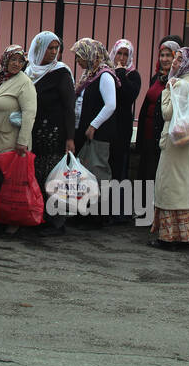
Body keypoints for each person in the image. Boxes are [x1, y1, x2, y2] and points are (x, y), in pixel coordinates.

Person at [150, 46, 189, 250]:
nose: (174, 62)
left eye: (178, 59)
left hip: (175, 143)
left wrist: (168, 89)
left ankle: (169, 237)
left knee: (170, 187)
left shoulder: (179, 84)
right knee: (187, 187)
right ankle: (187, 236)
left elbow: (167, 113)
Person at [0, 45, 37, 234]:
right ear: (5, 60)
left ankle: (9, 221)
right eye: (13, 60)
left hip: (9, 140)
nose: (16, 64)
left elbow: (29, 113)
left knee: (6, 181)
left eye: (20, 61)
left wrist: (23, 140)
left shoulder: (24, 83)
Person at [24, 31, 77, 237]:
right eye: (49, 48)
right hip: (35, 132)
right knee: (37, 174)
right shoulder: (29, 71)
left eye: (56, 48)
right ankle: (39, 216)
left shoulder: (61, 72)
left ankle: (56, 222)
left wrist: (70, 137)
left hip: (55, 133)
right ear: (38, 48)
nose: (53, 52)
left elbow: (69, 107)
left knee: (53, 177)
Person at [70, 38, 119, 229]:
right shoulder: (90, 75)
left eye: (80, 56)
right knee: (86, 173)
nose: (78, 61)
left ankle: (96, 217)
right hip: (87, 132)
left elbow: (111, 105)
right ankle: (84, 213)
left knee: (97, 173)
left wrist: (93, 125)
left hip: (98, 134)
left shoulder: (104, 75)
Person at [135, 39, 180, 186]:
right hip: (148, 132)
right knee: (144, 173)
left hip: (163, 134)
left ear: (176, 58)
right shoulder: (157, 77)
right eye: (162, 55)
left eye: (169, 55)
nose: (164, 59)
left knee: (156, 174)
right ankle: (142, 207)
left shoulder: (177, 80)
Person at [108, 40, 142, 197]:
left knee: (119, 166)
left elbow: (129, 96)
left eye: (125, 54)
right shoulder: (106, 71)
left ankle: (118, 211)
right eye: (119, 53)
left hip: (122, 126)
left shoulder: (133, 75)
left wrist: (121, 73)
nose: (121, 57)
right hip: (107, 125)